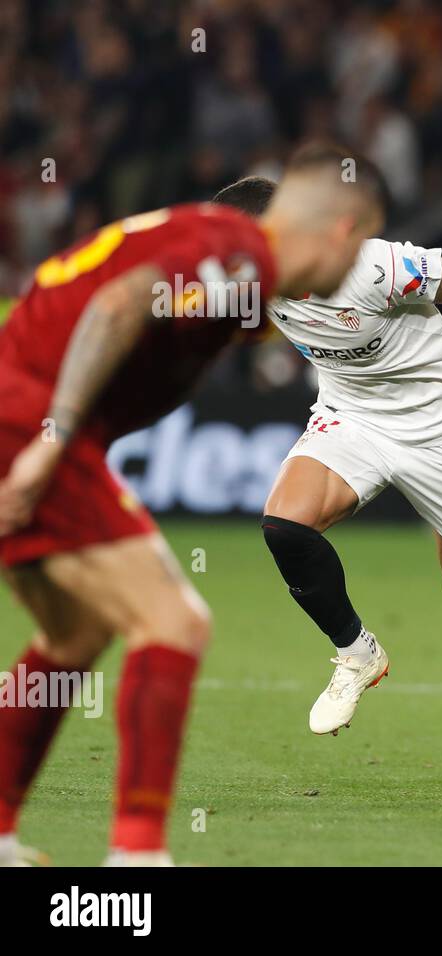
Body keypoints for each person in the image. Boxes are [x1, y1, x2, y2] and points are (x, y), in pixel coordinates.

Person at [0, 144, 385, 866]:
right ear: (342, 233)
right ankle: (137, 859)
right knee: (173, 622)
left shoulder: (221, 256)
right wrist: (51, 438)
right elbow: (121, 304)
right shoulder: (238, 252)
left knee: (73, 635)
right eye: (362, 245)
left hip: (23, 409)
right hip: (29, 420)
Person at [211, 176, 442, 799]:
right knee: (284, 524)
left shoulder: (369, 266)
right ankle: (358, 653)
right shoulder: (251, 288)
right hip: (353, 419)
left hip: (439, 425)